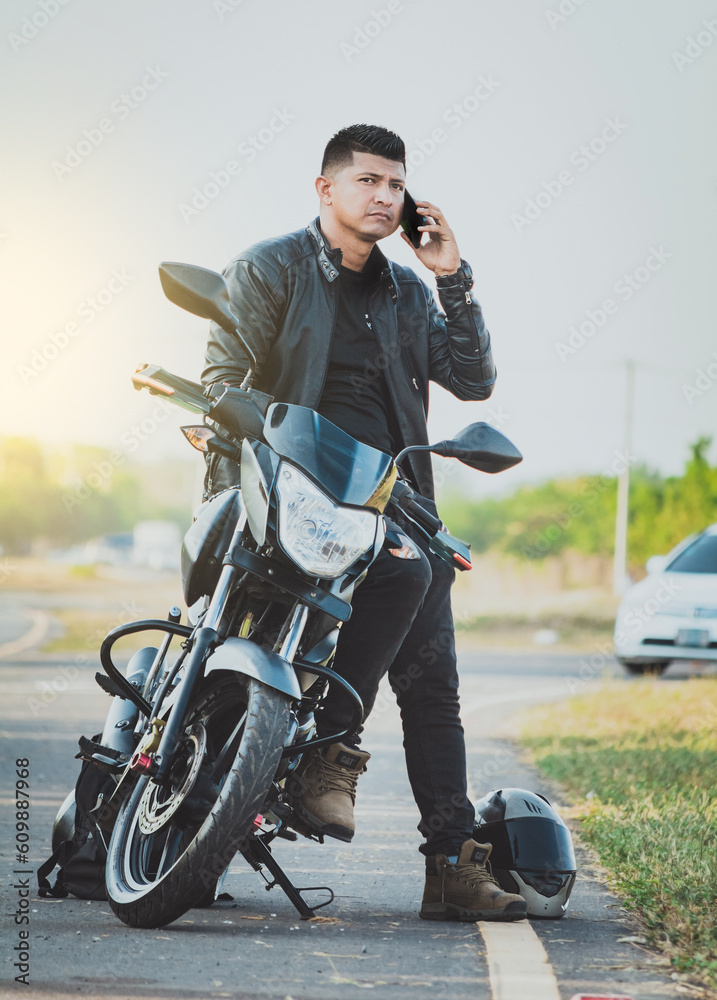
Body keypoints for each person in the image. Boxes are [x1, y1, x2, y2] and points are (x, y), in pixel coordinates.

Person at [201, 124, 527, 922]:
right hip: (283, 493)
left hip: (393, 503)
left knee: (432, 685)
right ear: (326, 189)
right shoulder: (268, 267)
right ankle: (195, 831)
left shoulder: (409, 292)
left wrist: (451, 278)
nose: (385, 198)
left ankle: (449, 862)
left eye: (396, 186)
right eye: (369, 182)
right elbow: (221, 377)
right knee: (221, 663)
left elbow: (473, 382)